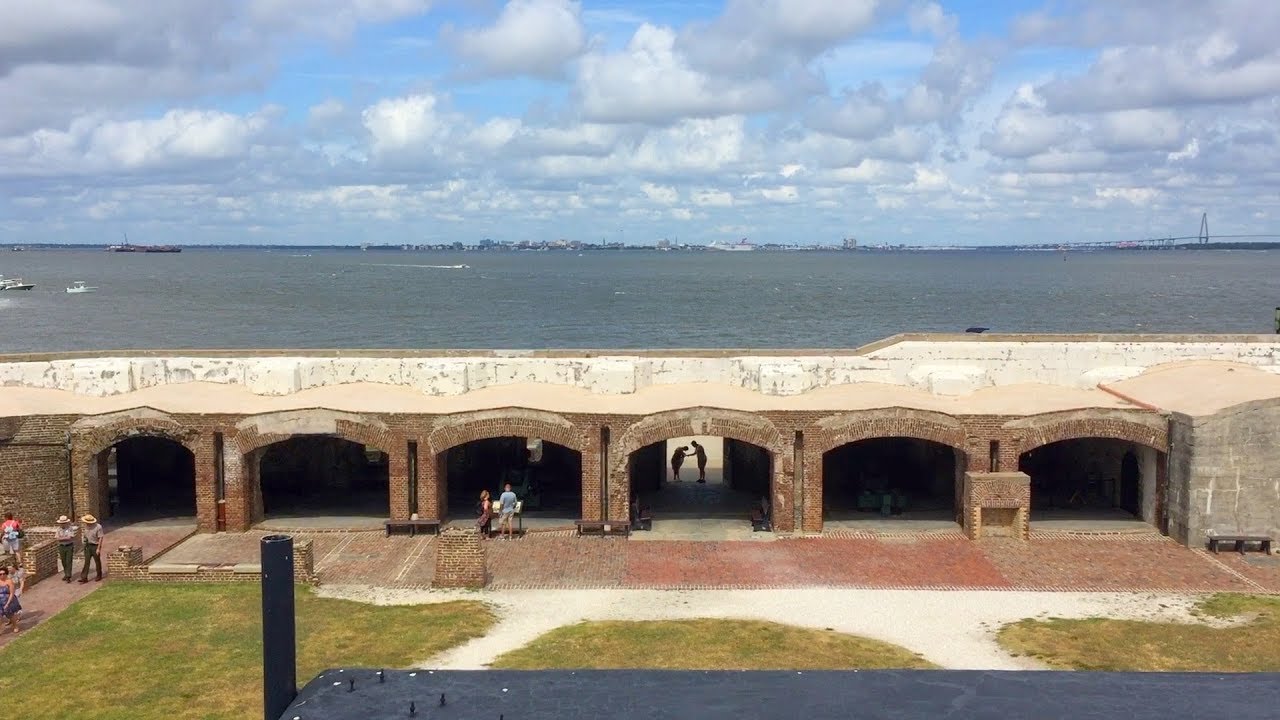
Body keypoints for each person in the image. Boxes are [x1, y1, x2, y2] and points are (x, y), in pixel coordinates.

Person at [79, 514, 104, 583]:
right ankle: (84, 577)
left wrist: (98, 548)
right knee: (87, 561)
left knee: (97, 561)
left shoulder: (98, 527)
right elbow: (85, 536)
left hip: (95, 545)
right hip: (88, 545)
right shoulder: (85, 526)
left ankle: (99, 575)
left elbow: (100, 538)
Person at [55, 515, 77, 582]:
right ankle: (66, 573)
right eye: (61, 523)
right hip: (62, 546)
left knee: (68, 561)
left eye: (63, 523)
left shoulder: (70, 528)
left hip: (69, 546)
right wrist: (64, 538)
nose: (62, 524)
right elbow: (57, 538)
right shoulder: (58, 529)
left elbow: (70, 537)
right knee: (63, 561)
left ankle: (68, 576)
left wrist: (62, 538)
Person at [0, 566, 19, 634]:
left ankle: (15, 626)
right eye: (0, 574)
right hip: (0, 601)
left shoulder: (9, 582)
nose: (2, 575)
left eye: (3, 574)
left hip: (8, 600)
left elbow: (11, 593)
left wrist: (7, 603)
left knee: (10, 615)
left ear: (6, 574)